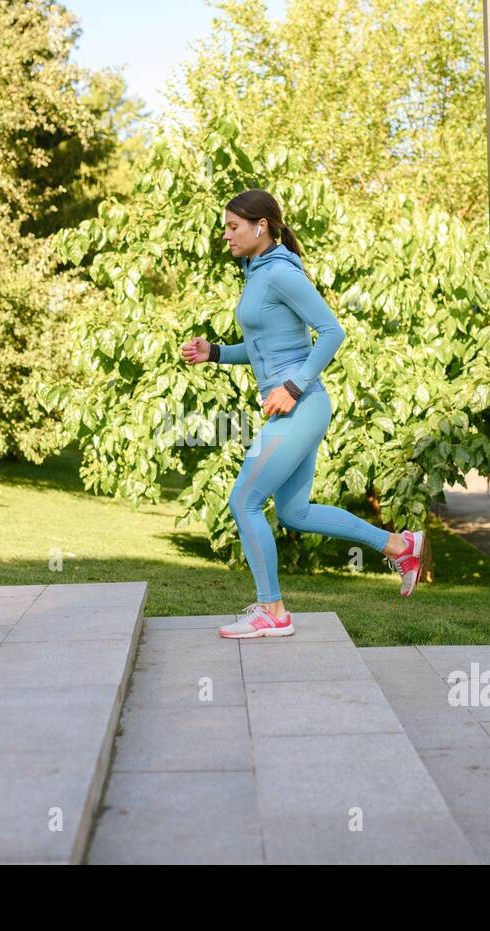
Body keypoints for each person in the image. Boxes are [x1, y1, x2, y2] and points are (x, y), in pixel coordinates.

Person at [180, 188, 432, 640]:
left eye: (233, 227)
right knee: (294, 512)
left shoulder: (279, 274)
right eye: (225, 228)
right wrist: (214, 352)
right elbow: (265, 350)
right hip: (300, 406)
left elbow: (333, 332)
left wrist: (293, 387)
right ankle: (400, 544)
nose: (226, 236)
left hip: (303, 404)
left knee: (244, 500)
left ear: (261, 226)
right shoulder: (257, 272)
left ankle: (272, 611)